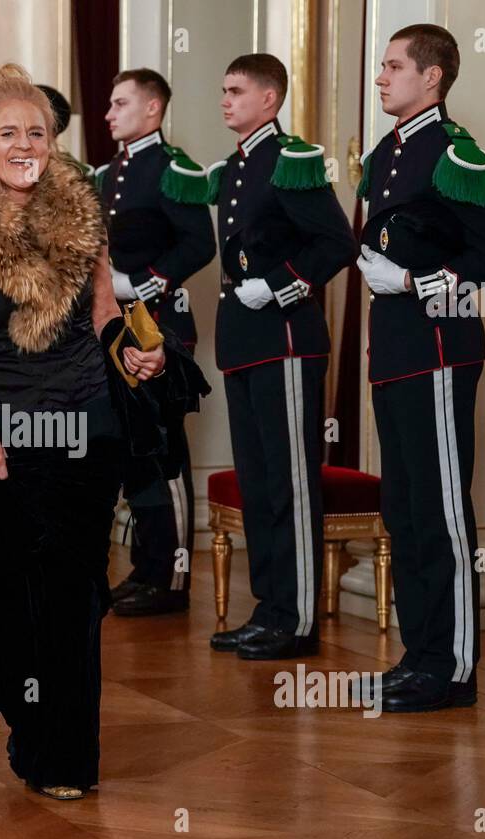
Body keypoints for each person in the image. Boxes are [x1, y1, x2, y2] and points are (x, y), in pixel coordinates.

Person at [0, 64, 165, 800]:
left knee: (73, 593)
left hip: (83, 420)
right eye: (9, 132)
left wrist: (135, 348)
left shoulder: (82, 211)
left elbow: (102, 311)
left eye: (37, 132)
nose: (25, 144)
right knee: (4, 586)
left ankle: (58, 758)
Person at [355, 24, 485, 710]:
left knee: (442, 510)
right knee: (406, 508)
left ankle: (451, 669)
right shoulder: (386, 154)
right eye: (383, 66)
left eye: (394, 67)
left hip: (440, 350)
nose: (382, 77)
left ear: (433, 78)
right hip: (392, 353)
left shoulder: (455, 153)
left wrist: (419, 282)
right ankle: (419, 656)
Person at [205, 54, 357, 659]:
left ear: (269, 99)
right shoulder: (238, 165)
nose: (225, 100)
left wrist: (283, 285)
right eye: (223, 89)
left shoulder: (291, 161)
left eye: (236, 90)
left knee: (291, 484)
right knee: (260, 480)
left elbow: (338, 242)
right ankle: (269, 609)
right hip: (244, 343)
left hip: (286, 340)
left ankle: (295, 620)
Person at [99, 68, 216, 616]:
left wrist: (146, 283)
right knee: (134, 452)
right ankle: (146, 568)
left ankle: (170, 578)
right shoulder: (109, 173)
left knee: (165, 451)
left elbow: (199, 243)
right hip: (117, 328)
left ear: (152, 109)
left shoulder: (175, 170)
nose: (109, 114)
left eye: (120, 104)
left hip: (159, 327)